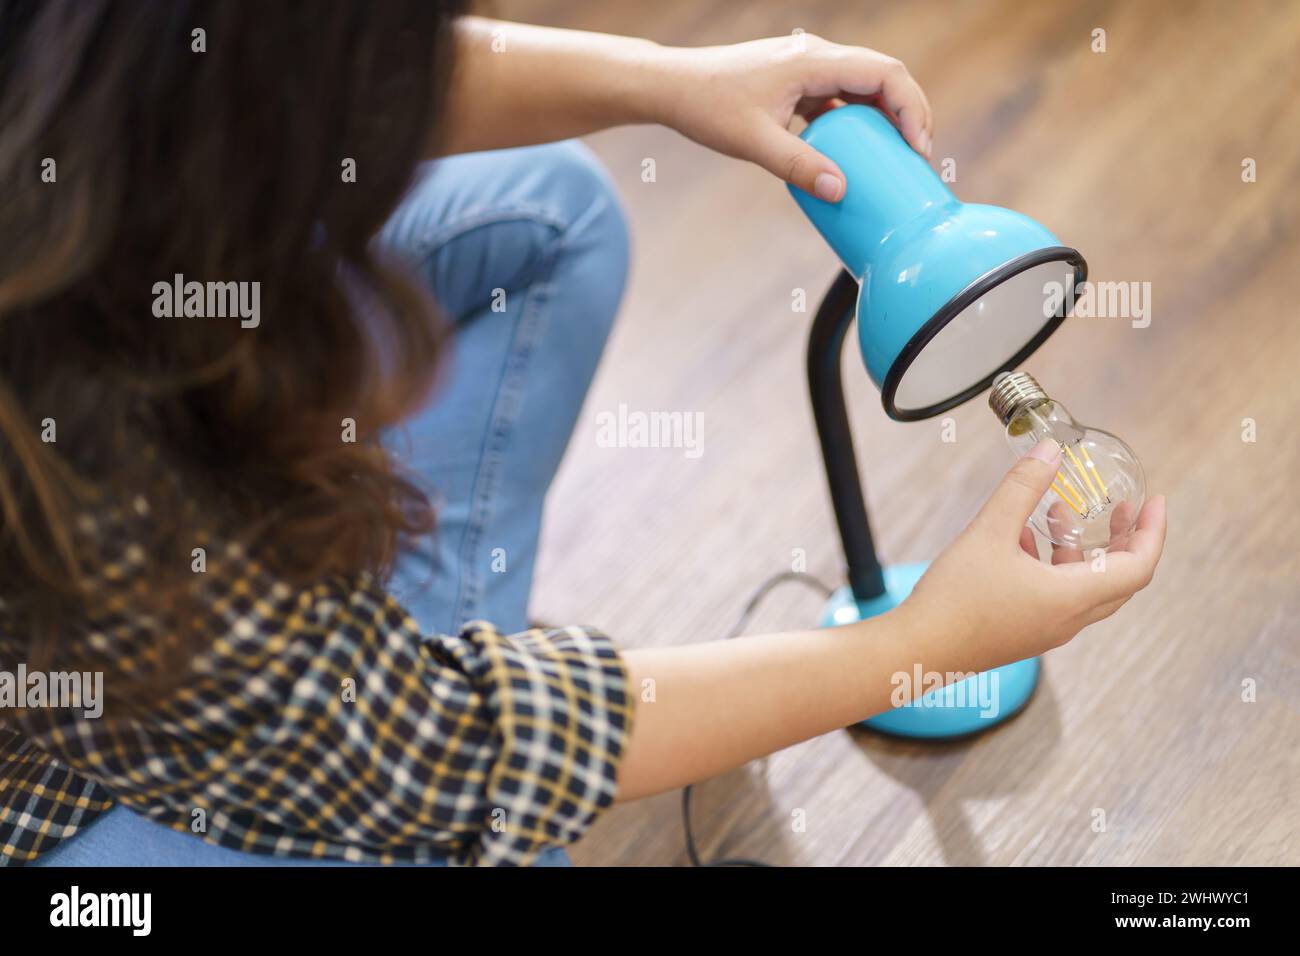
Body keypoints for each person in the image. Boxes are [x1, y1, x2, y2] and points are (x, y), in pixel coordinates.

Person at [0, 4, 1165, 867]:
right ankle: (356, 720)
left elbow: (299, 62)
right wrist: (917, 642)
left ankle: (362, 692)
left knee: (547, 212)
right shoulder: (90, 465)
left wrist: (670, 80)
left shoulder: (98, 72)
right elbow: (433, 745)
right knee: (475, 826)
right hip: (56, 788)